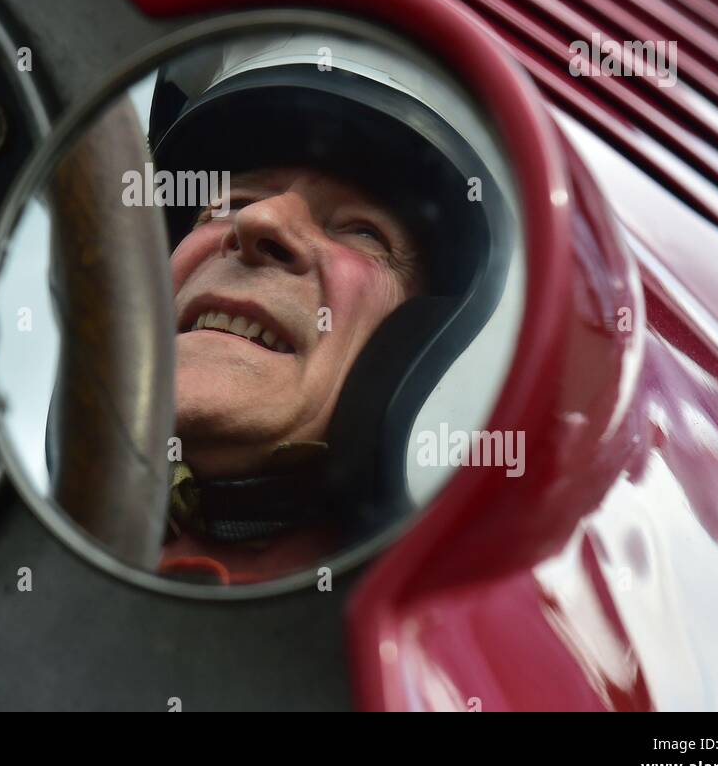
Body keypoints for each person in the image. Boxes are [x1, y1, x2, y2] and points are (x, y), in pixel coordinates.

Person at [146, 28, 517, 583]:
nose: (258, 222)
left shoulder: (429, 650)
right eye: (229, 202)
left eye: (361, 232)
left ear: (430, 351)